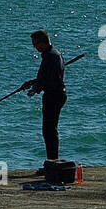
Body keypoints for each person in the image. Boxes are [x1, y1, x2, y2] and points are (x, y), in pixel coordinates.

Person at [19, 30, 66, 170]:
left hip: (54, 95)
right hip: (57, 94)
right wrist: (32, 83)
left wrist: (35, 89)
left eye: (35, 44)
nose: (34, 47)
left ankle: (52, 163)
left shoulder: (50, 57)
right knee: (50, 130)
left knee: (49, 130)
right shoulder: (53, 55)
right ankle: (52, 162)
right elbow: (46, 77)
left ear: (42, 43)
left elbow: (48, 80)